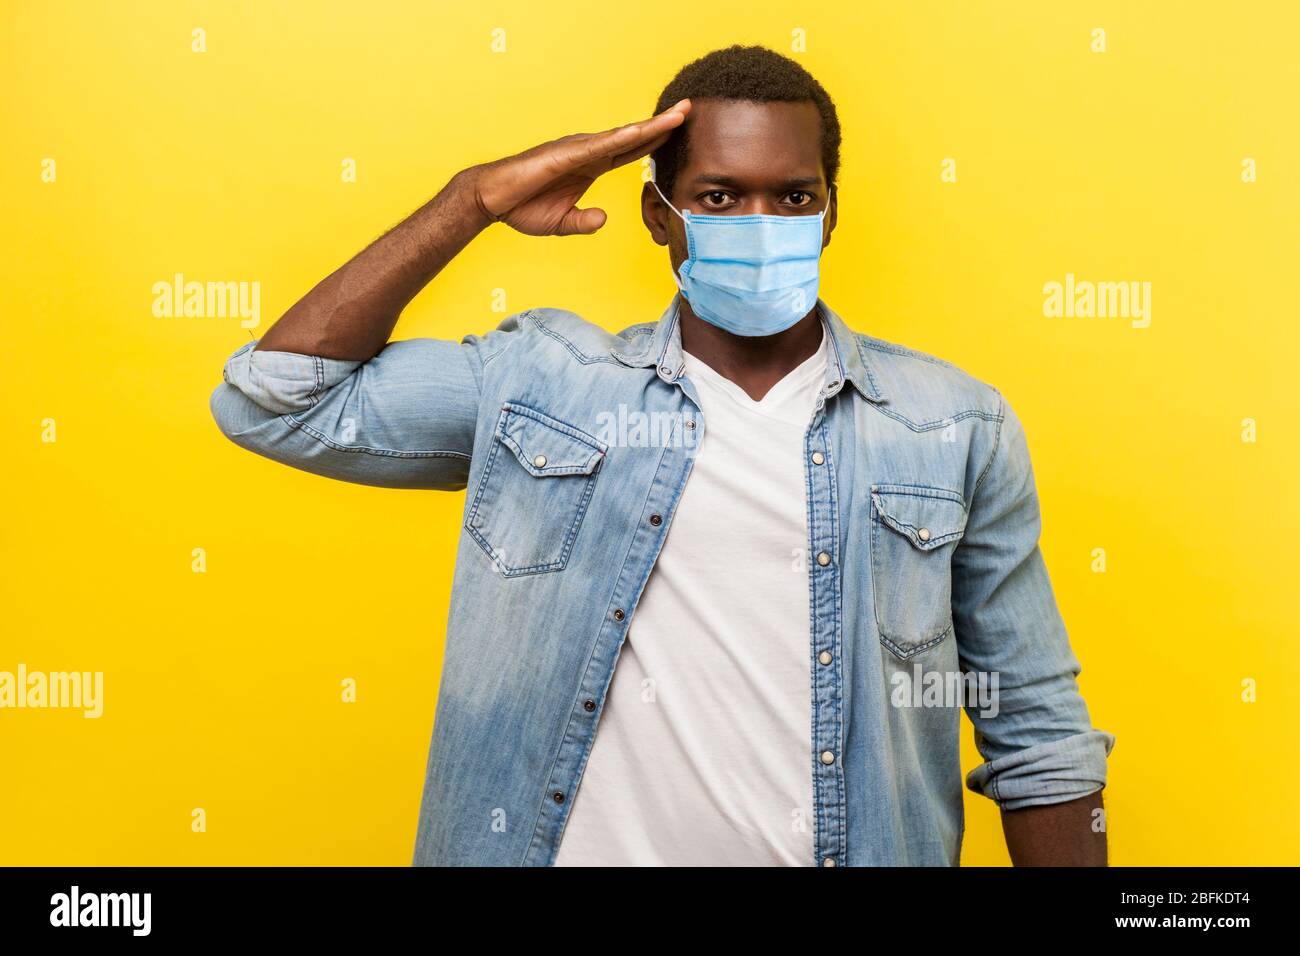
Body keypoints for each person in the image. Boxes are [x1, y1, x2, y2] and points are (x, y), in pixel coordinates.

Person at [209, 45, 1114, 866]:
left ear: (830, 215)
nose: (760, 221)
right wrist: (472, 200)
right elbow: (273, 400)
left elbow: (1035, 729)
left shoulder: (952, 423)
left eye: (793, 197)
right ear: (659, 212)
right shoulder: (545, 383)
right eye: (719, 197)